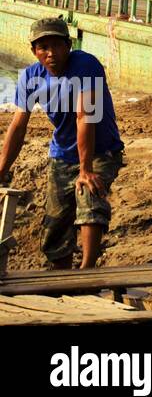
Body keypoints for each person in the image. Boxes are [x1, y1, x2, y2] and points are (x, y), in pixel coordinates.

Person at [0, 17, 125, 270]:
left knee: (89, 196)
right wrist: (1, 169)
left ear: (68, 45)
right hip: (62, 153)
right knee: (55, 224)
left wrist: (85, 169)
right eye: (43, 47)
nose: (51, 53)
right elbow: (18, 125)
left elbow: (85, 116)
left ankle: (87, 271)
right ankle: (61, 276)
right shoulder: (31, 77)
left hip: (101, 150)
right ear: (33, 51)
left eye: (57, 45)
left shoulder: (86, 65)